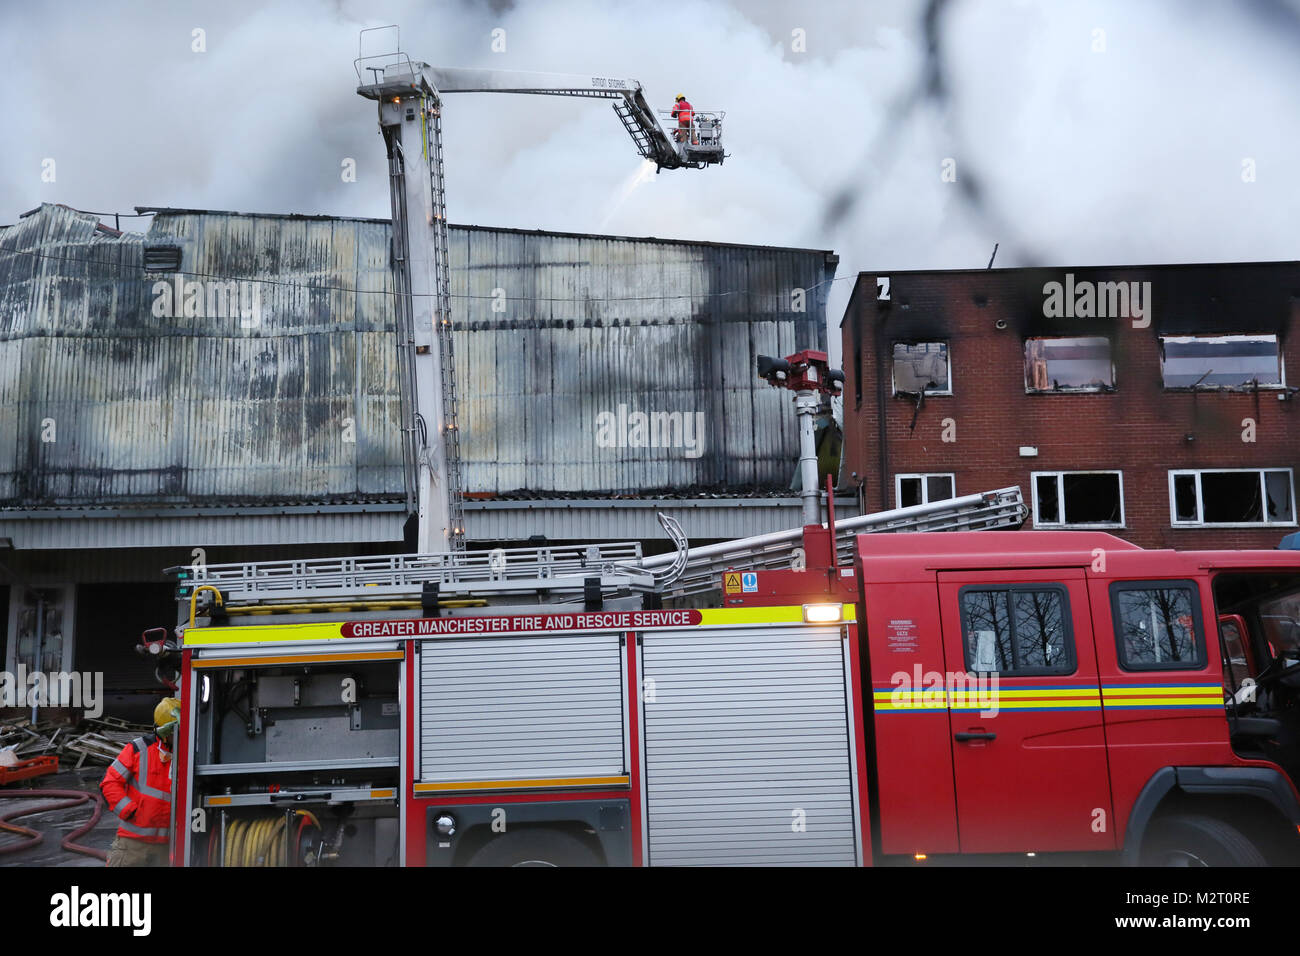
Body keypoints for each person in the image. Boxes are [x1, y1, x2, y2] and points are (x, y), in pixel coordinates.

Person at [100, 697, 179, 866]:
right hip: (133, 843)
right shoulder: (139, 749)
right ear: (164, 730)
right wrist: (130, 811)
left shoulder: (186, 755)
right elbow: (110, 783)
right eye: (174, 731)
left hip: (167, 846)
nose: (176, 735)